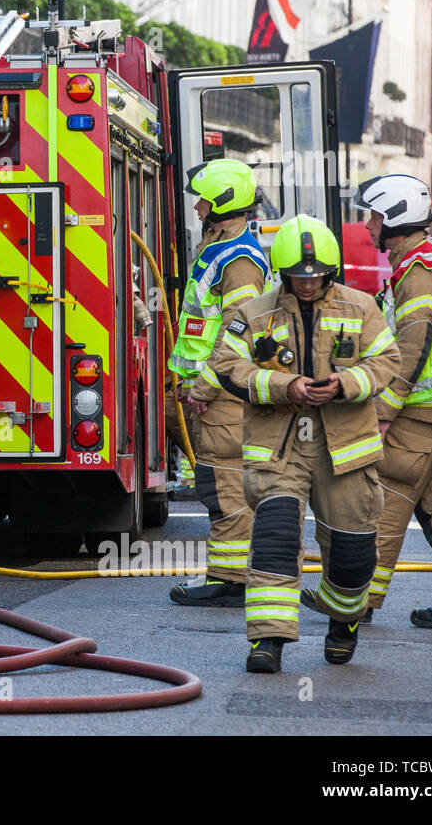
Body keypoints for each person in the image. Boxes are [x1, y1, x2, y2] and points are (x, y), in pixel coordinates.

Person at [210, 214, 400, 673]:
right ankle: (267, 641)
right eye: (298, 276)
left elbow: (387, 361)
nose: (308, 284)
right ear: (283, 272)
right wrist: (285, 386)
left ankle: (344, 622)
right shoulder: (253, 313)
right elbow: (227, 366)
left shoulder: (361, 308)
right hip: (281, 446)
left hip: (346, 450)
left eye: (315, 276)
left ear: (330, 272)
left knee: (353, 551)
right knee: (275, 538)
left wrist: (344, 384)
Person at [348, 174, 432, 629]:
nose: (367, 226)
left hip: (421, 412)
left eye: (373, 216)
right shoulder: (427, 264)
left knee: (382, 500)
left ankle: (355, 601)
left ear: (394, 218)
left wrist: (384, 410)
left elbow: (412, 344)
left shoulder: (418, 271)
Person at [166, 159, 271, 607]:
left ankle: (230, 579)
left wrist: (205, 386)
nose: (196, 207)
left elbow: (236, 330)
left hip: (222, 394)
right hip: (209, 390)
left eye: (203, 200)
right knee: (216, 479)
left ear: (223, 202)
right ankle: (229, 574)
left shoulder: (240, 260)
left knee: (225, 482)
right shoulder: (222, 247)